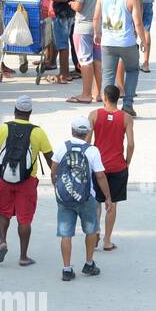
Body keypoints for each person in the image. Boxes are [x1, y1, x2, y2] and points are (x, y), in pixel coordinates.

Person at [0, 95, 54, 267]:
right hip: (27, 181)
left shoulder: (3, 129)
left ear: (15, 111)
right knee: (24, 219)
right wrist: (56, 177)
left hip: (5, 179)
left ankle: (3, 242)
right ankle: (23, 256)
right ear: (30, 113)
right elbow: (50, 157)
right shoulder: (38, 132)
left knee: (3, 212)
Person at [54, 116, 112, 282]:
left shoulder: (61, 147)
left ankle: (66, 268)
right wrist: (107, 197)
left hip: (65, 198)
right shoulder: (92, 151)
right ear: (87, 133)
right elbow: (100, 175)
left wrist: (58, 188)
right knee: (91, 230)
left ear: (72, 130)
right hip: (87, 198)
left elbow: (54, 170)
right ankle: (88, 263)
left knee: (66, 234)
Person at [93, 0, 146, 117]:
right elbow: (138, 23)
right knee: (132, 70)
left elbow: (96, 17)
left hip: (108, 42)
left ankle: (107, 106)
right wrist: (143, 40)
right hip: (127, 42)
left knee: (108, 74)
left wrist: (97, 33)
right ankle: (127, 104)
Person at [90, 85, 133, 252]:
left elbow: (87, 141)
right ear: (118, 98)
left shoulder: (94, 115)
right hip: (117, 166)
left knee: (96, 202)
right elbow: (130, 144)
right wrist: (127, 161)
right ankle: (107, 241)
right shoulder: (126, 118)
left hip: (98, 166)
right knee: (112, 204)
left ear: (105, 98)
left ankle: (94, 234)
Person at [70, 0, 112, 103]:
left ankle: (86, 94)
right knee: (98, 60)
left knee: (85, 60)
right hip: (100, 26)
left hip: (83, 26)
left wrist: (71, 4)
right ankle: (97, 93)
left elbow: (79, 5)